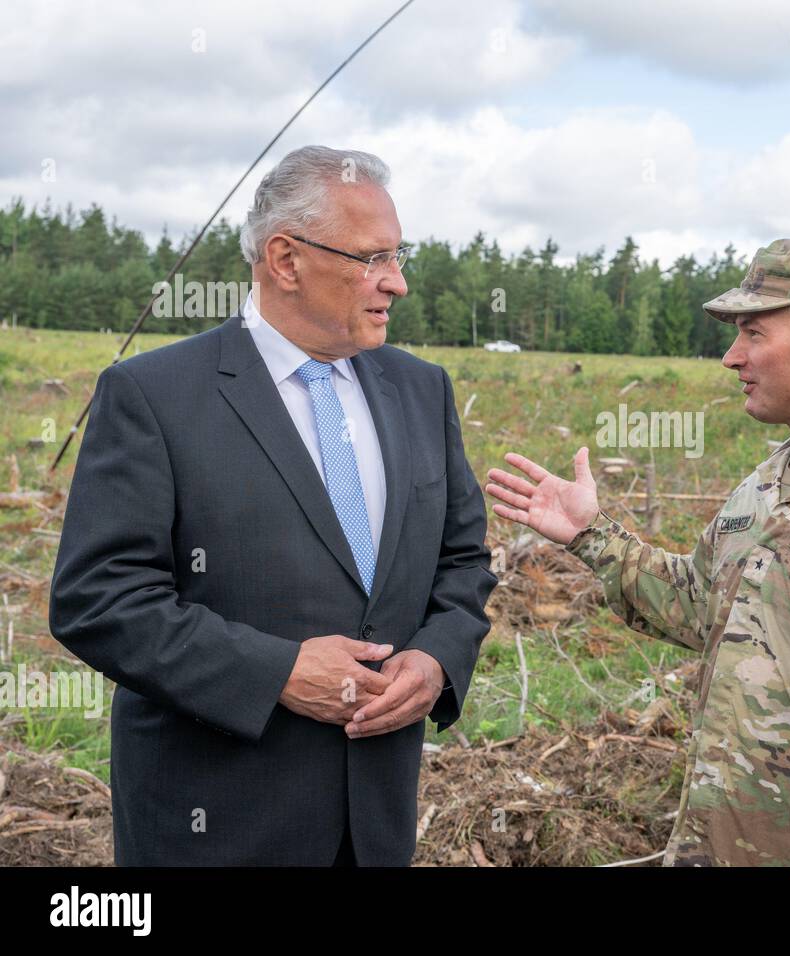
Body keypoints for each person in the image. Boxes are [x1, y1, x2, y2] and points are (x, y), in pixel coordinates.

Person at [48, 145, 497, 865]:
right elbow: (98, 599)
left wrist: (437, 661)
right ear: (286, 260)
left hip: (375, 823)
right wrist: (275, 671)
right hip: (216, 828)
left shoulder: (422, 390)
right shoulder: (154, 396)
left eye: (399, 255)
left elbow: (463, 560)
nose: (398, 284)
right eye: (373, 258)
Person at [486, 239, 790, 865]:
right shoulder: (765, 483)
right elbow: (701, 606)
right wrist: (594, 534)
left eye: (754, 333)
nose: (732, 358)